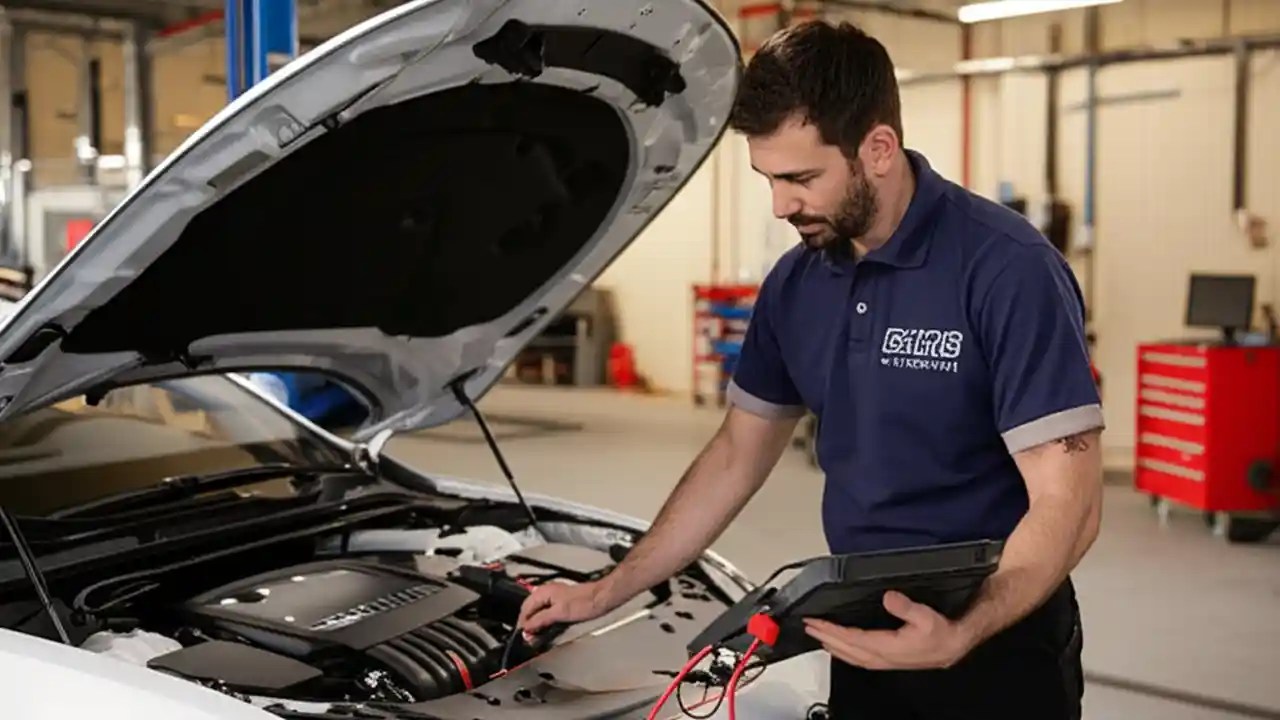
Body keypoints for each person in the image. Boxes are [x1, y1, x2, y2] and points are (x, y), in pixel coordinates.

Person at [518, 19, 1104, 720]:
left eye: (801, 178)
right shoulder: (798, 284)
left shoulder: (1005, 270)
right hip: (860, 633)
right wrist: (606, 590)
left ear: (878, 149)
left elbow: (1071, 504)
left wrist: (964, 631)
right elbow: (736, 454)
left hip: (998, 641)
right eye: (767, 178)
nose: (780, 205)